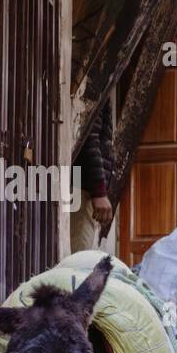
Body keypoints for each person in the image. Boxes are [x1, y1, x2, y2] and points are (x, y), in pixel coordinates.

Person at [70, 102, 115, 252]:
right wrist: (99, 191)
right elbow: (88, 135)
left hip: (79, 182)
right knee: (78, 260)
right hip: (80, 184)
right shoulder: (95, 83)